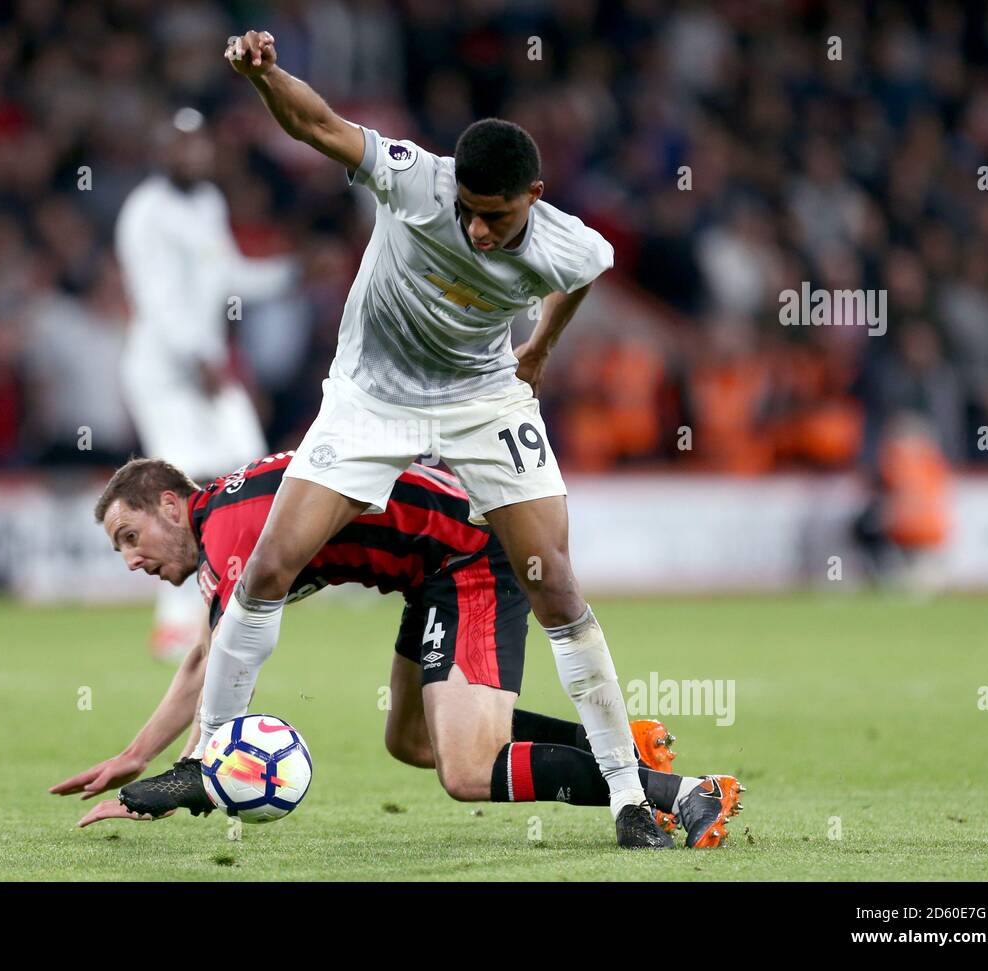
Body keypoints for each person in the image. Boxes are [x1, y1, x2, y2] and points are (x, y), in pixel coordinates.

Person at [188, 29, 670, 847]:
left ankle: (629, 793)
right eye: (469, 214)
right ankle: (210, 753)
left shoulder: (569, 241)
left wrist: (542, 348)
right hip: (371, 398)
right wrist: (267, 78)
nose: (479, 232)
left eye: (496, 217)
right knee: (270, 564)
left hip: (485, 397)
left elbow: (584, 274)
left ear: (533, 195)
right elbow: (317, 125)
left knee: (553, 582)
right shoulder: (417, 181)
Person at [49, 454, 744, 849]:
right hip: (428, 574)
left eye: (128, 536)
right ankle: (628, 749)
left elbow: (235, 666)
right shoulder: (226, 527)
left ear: (172, 505)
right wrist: (137, 755)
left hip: (468, 556)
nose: (130, 559)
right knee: (410, 737)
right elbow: (207, 658)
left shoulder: (230, 529)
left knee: (466, 768)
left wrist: (184, 779)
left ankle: (683, 794)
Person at [115, 105, 297, 661]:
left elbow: (229, 276)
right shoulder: (144, 213)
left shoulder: (209, 203)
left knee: (247, 467)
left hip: (207, 370)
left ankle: (234, 602)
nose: (190, 154)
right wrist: (200, 355)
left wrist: (289, 271)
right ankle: (174, 624)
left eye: (198, 145)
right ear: (161, 151)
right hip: (163, 374)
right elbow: (155, 299)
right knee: (177, 490)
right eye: (179, 145)